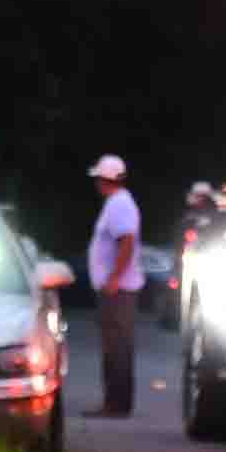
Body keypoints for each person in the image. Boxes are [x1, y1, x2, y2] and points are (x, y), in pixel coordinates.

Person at [87, 153, 142, 416]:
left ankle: (116, 404)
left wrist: (114, 279)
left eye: (98, 178)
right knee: (116, 347)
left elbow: (127, 241)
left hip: (118, 290)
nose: (96, 184)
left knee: (117, 348)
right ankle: (116, 402)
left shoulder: (119, 205)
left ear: (105, 179)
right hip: (116, 288)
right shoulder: (117, 203)